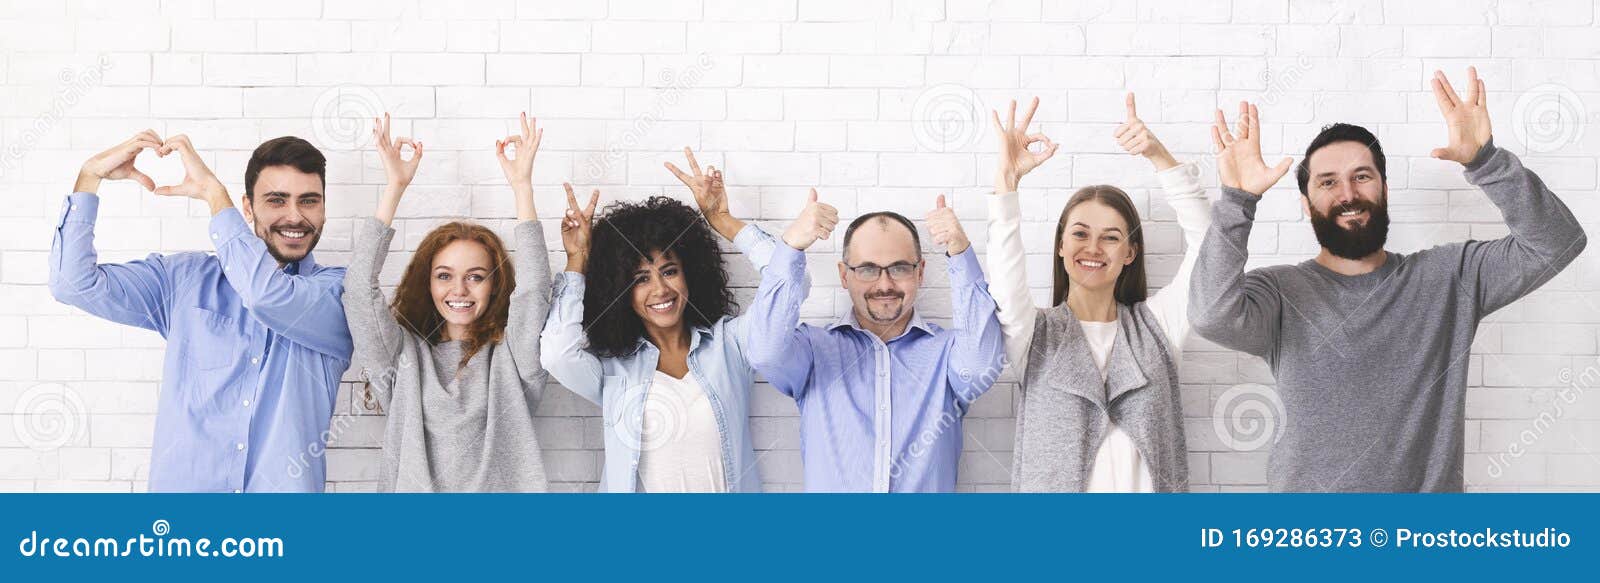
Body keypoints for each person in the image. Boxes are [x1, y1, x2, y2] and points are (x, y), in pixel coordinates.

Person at [1189, 68, 1588, 491]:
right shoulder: (1280, 293)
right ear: (1307, 205)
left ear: (1384, 189)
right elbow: (1211, 315)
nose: (1348, 194)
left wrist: (1486, 162)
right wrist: (1238, 201)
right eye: (1328, 182)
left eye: (1362, 176)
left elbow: (1557, 242)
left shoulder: (1449, 277)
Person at [49, 132, 352, 492]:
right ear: (248, 208)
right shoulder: (183, 281)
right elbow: (73, 284)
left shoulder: (340, 294)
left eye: (309, 201)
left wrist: (213, 194)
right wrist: (89, 178)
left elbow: (265, 296)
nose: (295, 216)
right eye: (276, 200)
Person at [987, 95, 1210, 492]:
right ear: (1060, 246)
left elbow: (1210, 251)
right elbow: (1005, 280)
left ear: (1129, 253)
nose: (1093, 248)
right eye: (1079, 234)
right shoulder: (1034, 335)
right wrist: (1006, 183)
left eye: (1110, 238)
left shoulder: (1158, 327)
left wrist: (1161, 158)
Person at [540, 149, 779, 493]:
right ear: (620, 290)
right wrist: (577, 259)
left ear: (690, 273)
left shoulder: (732, 344)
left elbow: (788, 285)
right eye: (640, 279)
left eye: (669, 271)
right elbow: (556, 353)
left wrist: (724, 220)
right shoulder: (613, 372)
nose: (660, 289)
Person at [343, 114, 555, 492]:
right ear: (427, 283)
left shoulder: (512, 357)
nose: (459, 289)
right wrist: (395, 186)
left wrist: (522, 187)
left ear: (495, 285)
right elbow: (359, 289)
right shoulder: (402, 357)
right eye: (444, 275)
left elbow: (535, 289)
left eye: (476, 276)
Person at [747, 188, 1006, 492]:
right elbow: (764, 352)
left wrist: (960, 254)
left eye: (899, 268)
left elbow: (979, 368)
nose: (885, 284)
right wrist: (790, 247)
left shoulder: (948, 353)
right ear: (844, 276)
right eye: (868, 269)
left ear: (920, 272)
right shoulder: (812, 350)